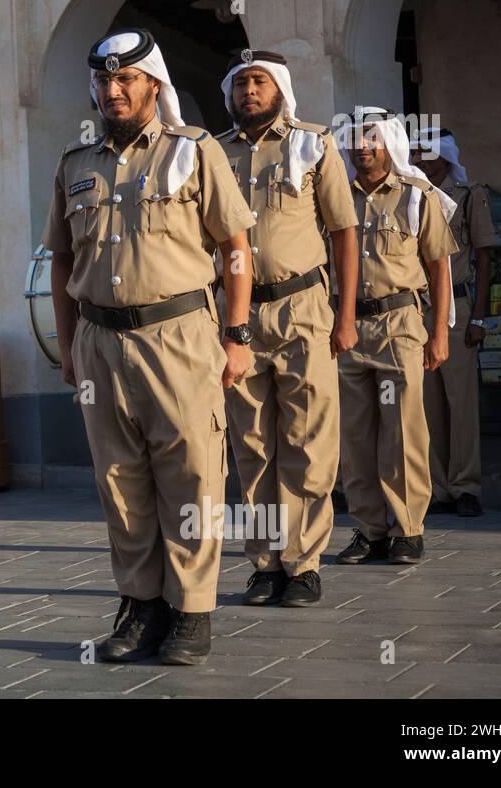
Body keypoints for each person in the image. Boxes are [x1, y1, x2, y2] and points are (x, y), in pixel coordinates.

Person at [42, 29, 254, 665]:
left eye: (126, 79)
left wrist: (237, 334)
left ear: (152, 85)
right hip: (100, 340)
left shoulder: (193, 152)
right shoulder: (74, 166)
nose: (113, 91)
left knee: (191, 474)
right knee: (119, 479)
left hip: (180, 335)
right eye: (104, 81)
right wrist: (69, 343)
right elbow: (60, 261)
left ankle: (192, 610)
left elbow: (236, 245)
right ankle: (141, 606)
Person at [215, 51, 359, 608]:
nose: (248, 92)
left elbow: (344, 231)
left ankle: (303, 564)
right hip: (238, 317)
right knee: (252, 444)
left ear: (279, 88)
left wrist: (345, 315)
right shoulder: (214, 153)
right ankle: (265, 563)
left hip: (303, 309)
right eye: (240, 84)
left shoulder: (313, 144)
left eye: (259, 82)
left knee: (307, 440)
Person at [334, 109, 458, 566]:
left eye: (370, 138)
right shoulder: (336, 197)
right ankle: (369, 530)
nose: (360, 146)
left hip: (400, 326)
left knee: (404, 432)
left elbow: (439, 267)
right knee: (355, 435)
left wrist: (440, 331)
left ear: (387, 141)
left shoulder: (417, 196)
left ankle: (408, 528)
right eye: (352, 139)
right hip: (346, 328)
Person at [411, 128, 495, 517]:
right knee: (427, 403)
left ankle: (466, 487)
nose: (421, 161)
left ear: (446, 156)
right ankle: (439, 487)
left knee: (460, 403)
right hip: (417, 309)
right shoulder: (410, 196)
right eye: (415, 154)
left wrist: (480, 317)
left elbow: (483, 258)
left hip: (459, 308)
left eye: (428, 154)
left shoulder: (468, 195)